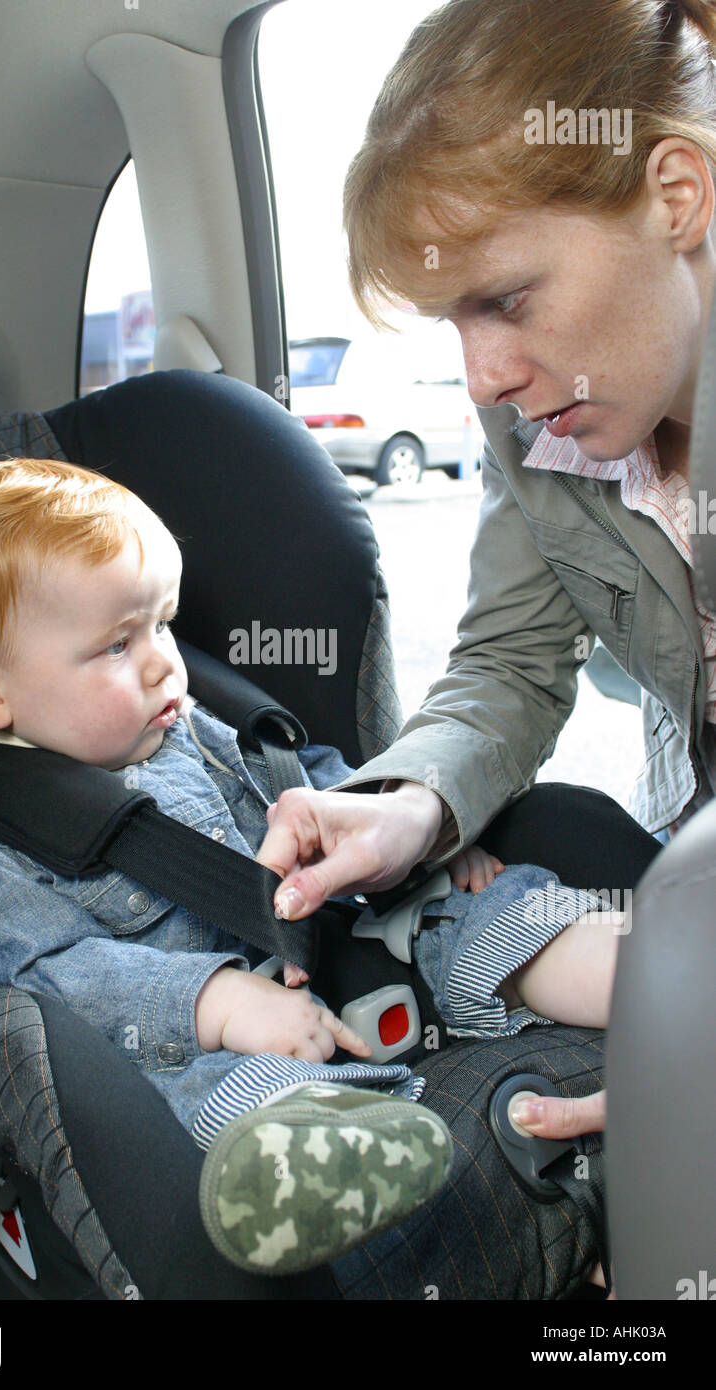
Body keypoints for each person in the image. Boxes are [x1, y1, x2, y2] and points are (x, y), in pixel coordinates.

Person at [0, 456, 617, 1276]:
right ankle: (325, 1167)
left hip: (350, 941)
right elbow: (55, 978)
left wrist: (411, 833)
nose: (167, 661)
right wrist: (213, 1003)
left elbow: (303, 777)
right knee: (194, 1102)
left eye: (162, 624)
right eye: (118, 644)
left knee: (487, 912)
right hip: (221, 1046)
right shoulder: (8, 845)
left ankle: (644, 984)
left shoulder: (188, 724)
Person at [257, 0, 716, 1145]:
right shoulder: (539, 433)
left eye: (505, 300)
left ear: (675, 194)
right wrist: (407, 805)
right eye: (450, 323)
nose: (482, 379)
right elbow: (509, 659)